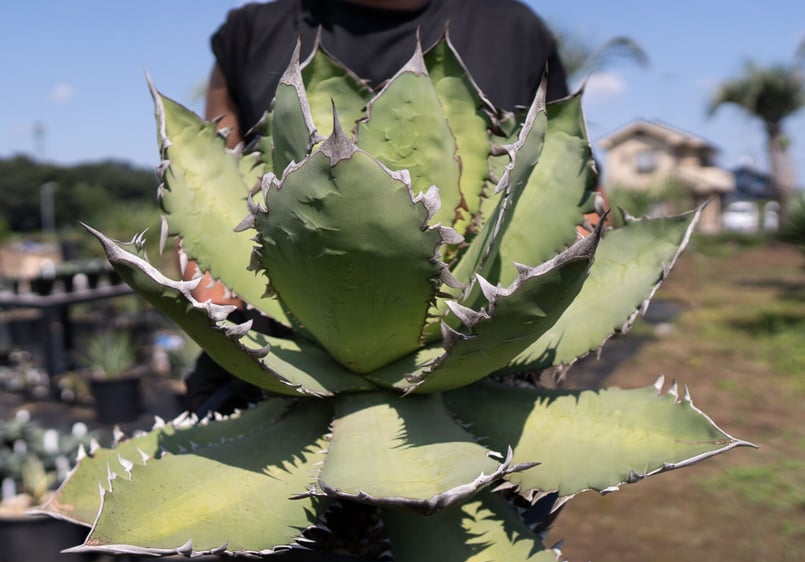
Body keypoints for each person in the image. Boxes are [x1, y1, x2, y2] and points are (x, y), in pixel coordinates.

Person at [183, 0, 570, 416]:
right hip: (275, 368)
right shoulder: (251, 33)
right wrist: (218, 297)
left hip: (482, 360)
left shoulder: (513, 31)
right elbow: (212, 179)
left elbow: (563, 177)